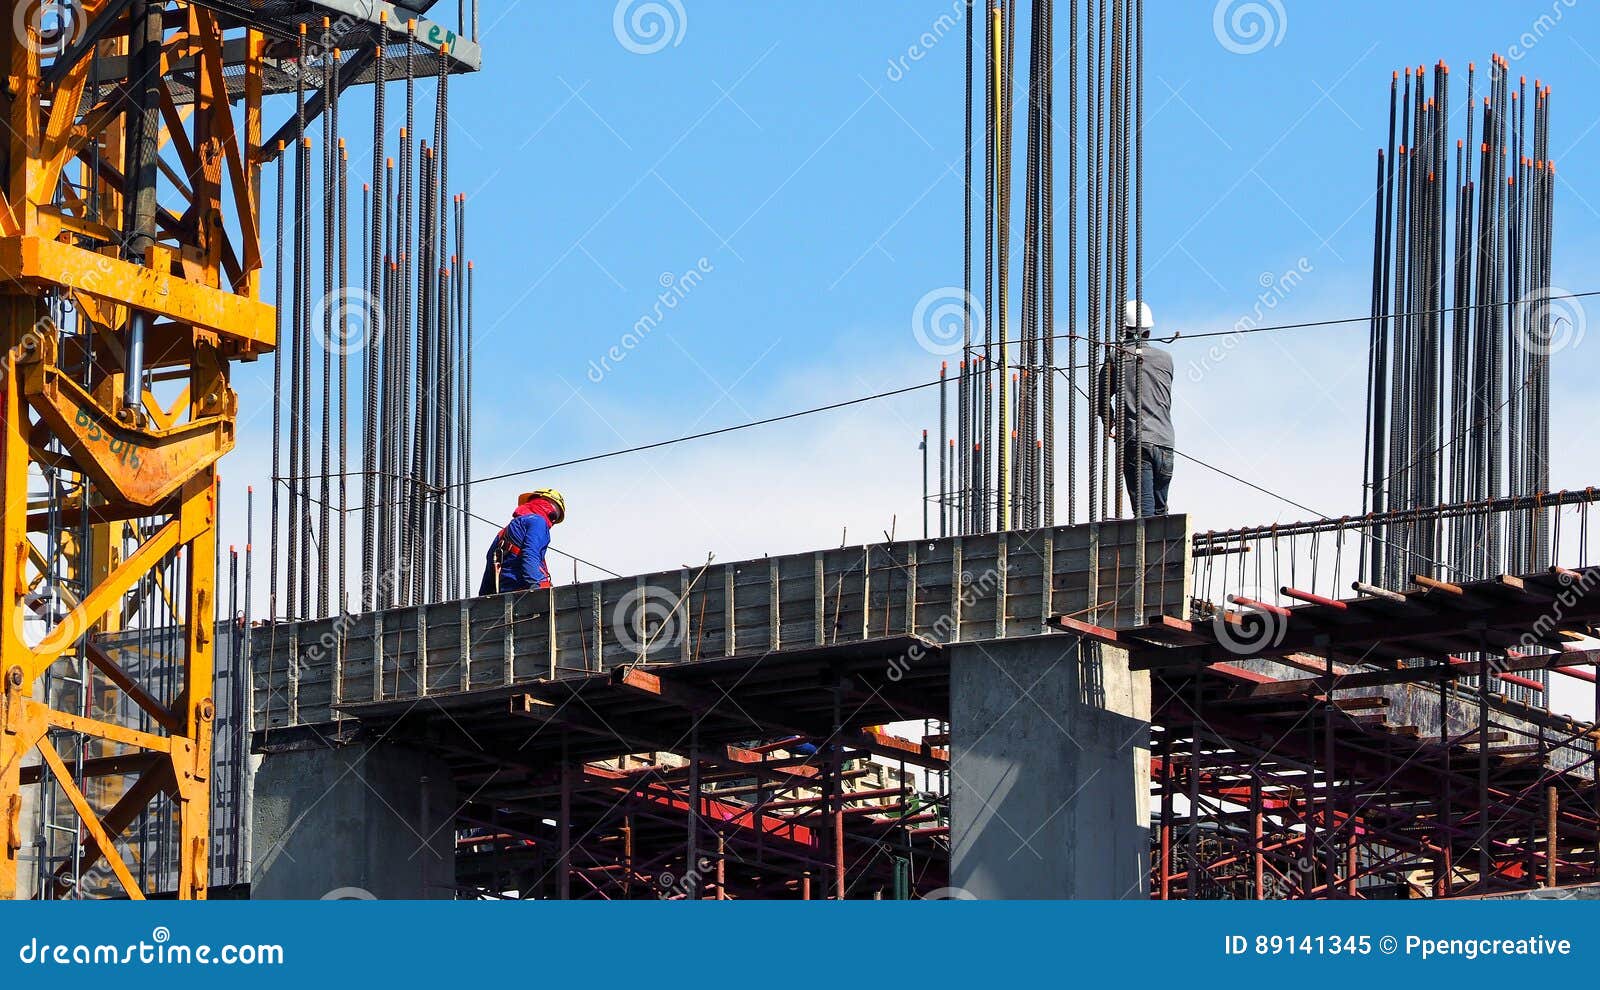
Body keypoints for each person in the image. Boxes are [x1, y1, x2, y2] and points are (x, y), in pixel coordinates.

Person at [1098, 301, 1174, 517]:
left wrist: (1109, 420)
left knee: (1144, 515)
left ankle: (1148, 550)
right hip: (1165, 443)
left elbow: (1101, 395)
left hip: (1137, 442)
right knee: (1160, 514)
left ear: (1123, 329)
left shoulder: (1117, 357)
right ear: (1149, 331)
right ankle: (1164, 549)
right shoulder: (1166, 359)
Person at [479, 488, 566, 595]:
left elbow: (490, 561)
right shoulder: (538, 522)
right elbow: (531, 554)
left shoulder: (504, 532)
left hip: (505, 592)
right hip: (523, 590)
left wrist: (483, 597)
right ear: (550, 507)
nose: (553, 521)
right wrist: (539, 588)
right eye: (556, 515)